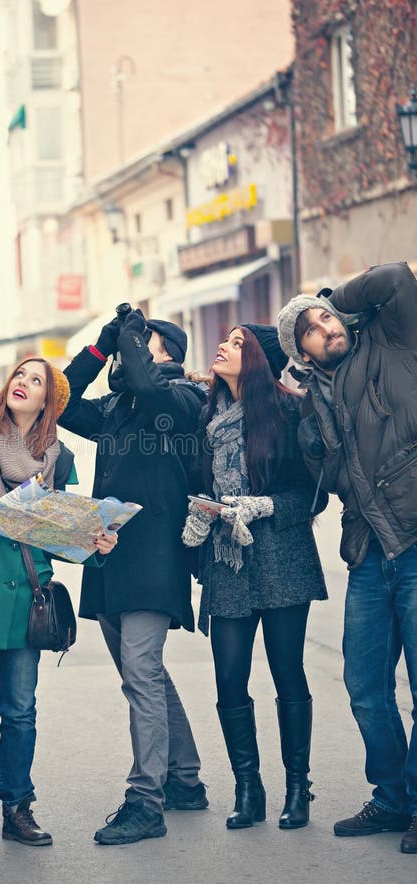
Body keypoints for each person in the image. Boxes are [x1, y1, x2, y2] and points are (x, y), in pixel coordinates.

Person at [0, 357, 117, 847]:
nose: (24, 384)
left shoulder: (58, 457)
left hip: (24, 600)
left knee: (21, 711)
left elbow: (59, 534)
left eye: (37, 381)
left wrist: (93, 544)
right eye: (20, 375)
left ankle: (17, 808)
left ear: (49, 402)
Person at [277, 261, 417, 854]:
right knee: (364, 686)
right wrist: (307, 431)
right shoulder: (313, 402)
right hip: (367, 549)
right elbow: (332, 480)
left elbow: (396, 278)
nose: (324, 325)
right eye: (309, 326)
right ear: (301, 352)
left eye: (326, 316)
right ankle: (391, 798)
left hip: (413, 537)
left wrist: (334, 297)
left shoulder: (391, 340)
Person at [59, 306, 208, 846]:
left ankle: (147, 800)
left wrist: (132, 341)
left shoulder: (185, 401)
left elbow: (148, 383)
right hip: (110, 558)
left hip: (156, 559)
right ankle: (185, 779)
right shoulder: (117, 407)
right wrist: (100, 347)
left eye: (146, 342)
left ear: (169, 351)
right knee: (140, 672)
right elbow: (62, 403)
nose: (133, 349)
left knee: (141, 671)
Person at [182, 323, 327, 831]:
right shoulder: (209, 417)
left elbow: (314, 494)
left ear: (259, 359)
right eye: (224, 338)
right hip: (227, 562)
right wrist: (202, 512)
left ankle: (297, 787)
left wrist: (262, 505)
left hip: (282, 557)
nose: (222, 345)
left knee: (288, 673)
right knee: (228, 679)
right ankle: (249, 788)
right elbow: (201, 485)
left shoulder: (289, 411)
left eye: (238, 342)